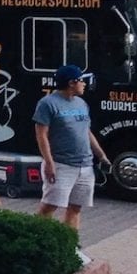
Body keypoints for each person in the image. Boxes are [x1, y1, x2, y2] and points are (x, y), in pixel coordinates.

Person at [34, 64, 110, 253]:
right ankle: (37, 240)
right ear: (71, 83)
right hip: (61, 165)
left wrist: (101, 154)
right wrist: (49, 163)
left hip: (85, 165)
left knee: (75, 207)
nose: (84, 84)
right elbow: (41, 135)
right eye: (81, 81)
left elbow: (87, 131)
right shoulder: (48, 103)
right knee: (50, 205)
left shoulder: (81, 104)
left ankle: (70, 247)